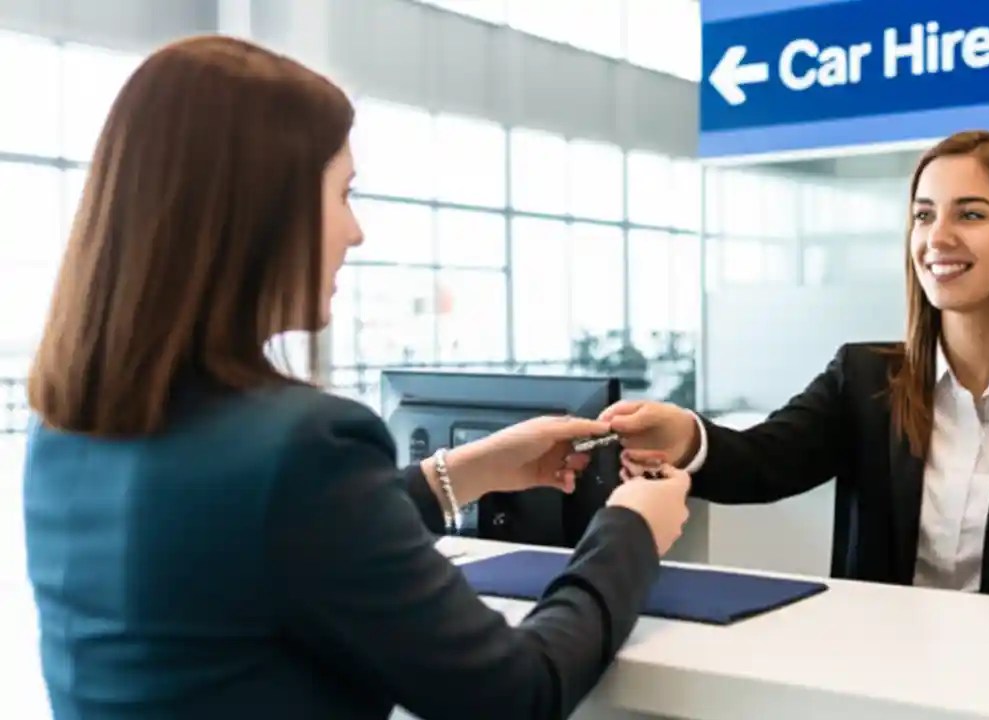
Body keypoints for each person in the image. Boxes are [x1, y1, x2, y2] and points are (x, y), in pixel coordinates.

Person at [23, 35, 691, 720]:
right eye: (343, 194)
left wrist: (461, 473)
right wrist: (629, 531)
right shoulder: (300, 447)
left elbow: (265, 539)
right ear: (259, 214)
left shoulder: (66, 425)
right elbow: (516, 693)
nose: (356, 231)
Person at [603, 130, 989, 619]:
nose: (936, 237)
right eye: (924, 215)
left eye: (971, 215)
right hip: (877, 690)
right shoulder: (864, 377)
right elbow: (763, 462)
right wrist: (683, 435)